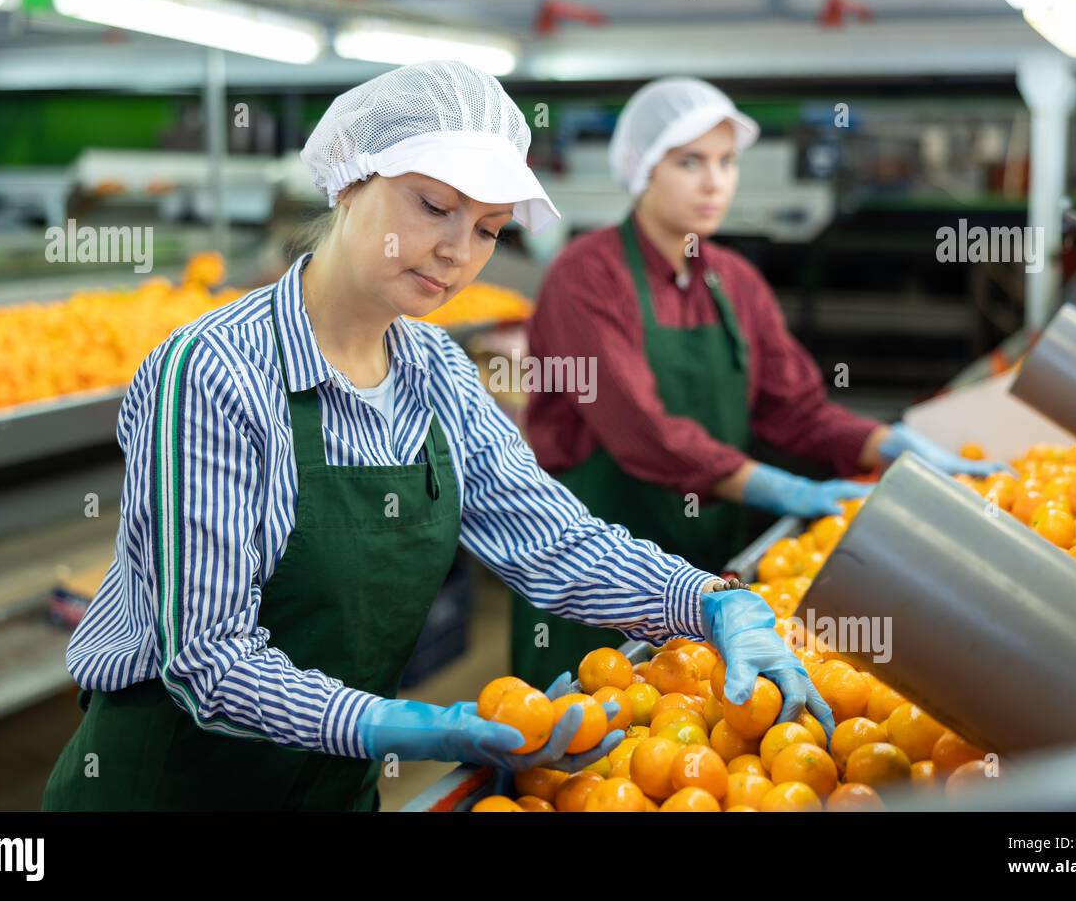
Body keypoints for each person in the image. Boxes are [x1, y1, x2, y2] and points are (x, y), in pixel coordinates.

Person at [42, 61, 833, 812]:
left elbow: (551, 540)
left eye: (490, 228)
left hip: (330, 787)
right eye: (432, 206)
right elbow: (208, 659)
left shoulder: (435, 371)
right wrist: (406, 726)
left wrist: (708, 603)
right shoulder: (212, 372)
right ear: (352, 178)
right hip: (170, 783)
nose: (459, 253)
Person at [512, 77, 1005, 689]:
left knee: (691, 707)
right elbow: (643, 432)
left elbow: (794, 409)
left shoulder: (734, 281)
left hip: (703, 564)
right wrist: (778, 487)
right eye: (689, 162)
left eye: (726, 162)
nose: (714, 181)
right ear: (641, 169)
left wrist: (887, 445)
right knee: (571, 740)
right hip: (588, 578)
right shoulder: (585, 277)